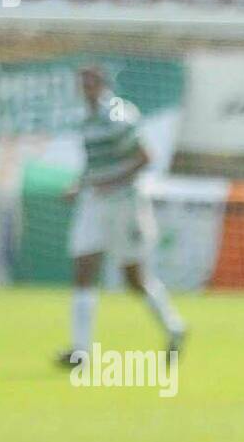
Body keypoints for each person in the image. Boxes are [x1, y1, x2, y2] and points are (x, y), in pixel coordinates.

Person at [56, 66, 185, 369]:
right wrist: (80, 185)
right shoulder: (85, 121)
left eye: (91, 81)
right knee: (83, 268)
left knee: (133, 278)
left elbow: (145, 157)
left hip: (124, 204)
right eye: (82, 82)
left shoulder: (118, 116)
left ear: (102, 84)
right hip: (94, 202)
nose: (86, 87)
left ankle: (174, 327)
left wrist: (111, 183)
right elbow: (95, 164)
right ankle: (81, 351)